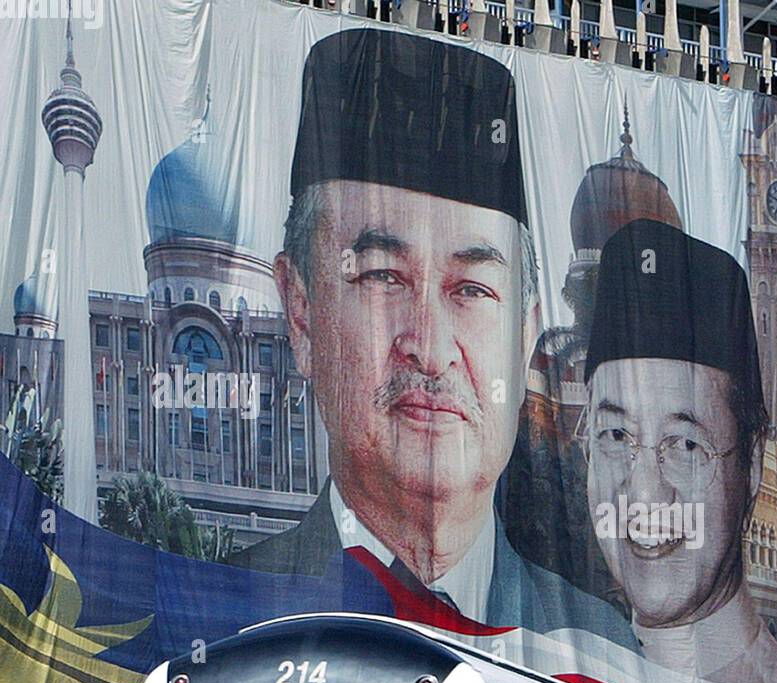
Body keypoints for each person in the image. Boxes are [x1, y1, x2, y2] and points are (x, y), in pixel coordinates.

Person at [227, 29, 634, 646]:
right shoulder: (229, 617)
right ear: (301, 312)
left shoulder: (597, 649)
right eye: (383, 277)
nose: (431, 347)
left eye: (471, 289)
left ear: (526, 334)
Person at [580, 219, 777, 683]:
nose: (644, 493)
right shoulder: (561, 667)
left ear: (751, 467)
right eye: (616, 436)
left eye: (686, 445)